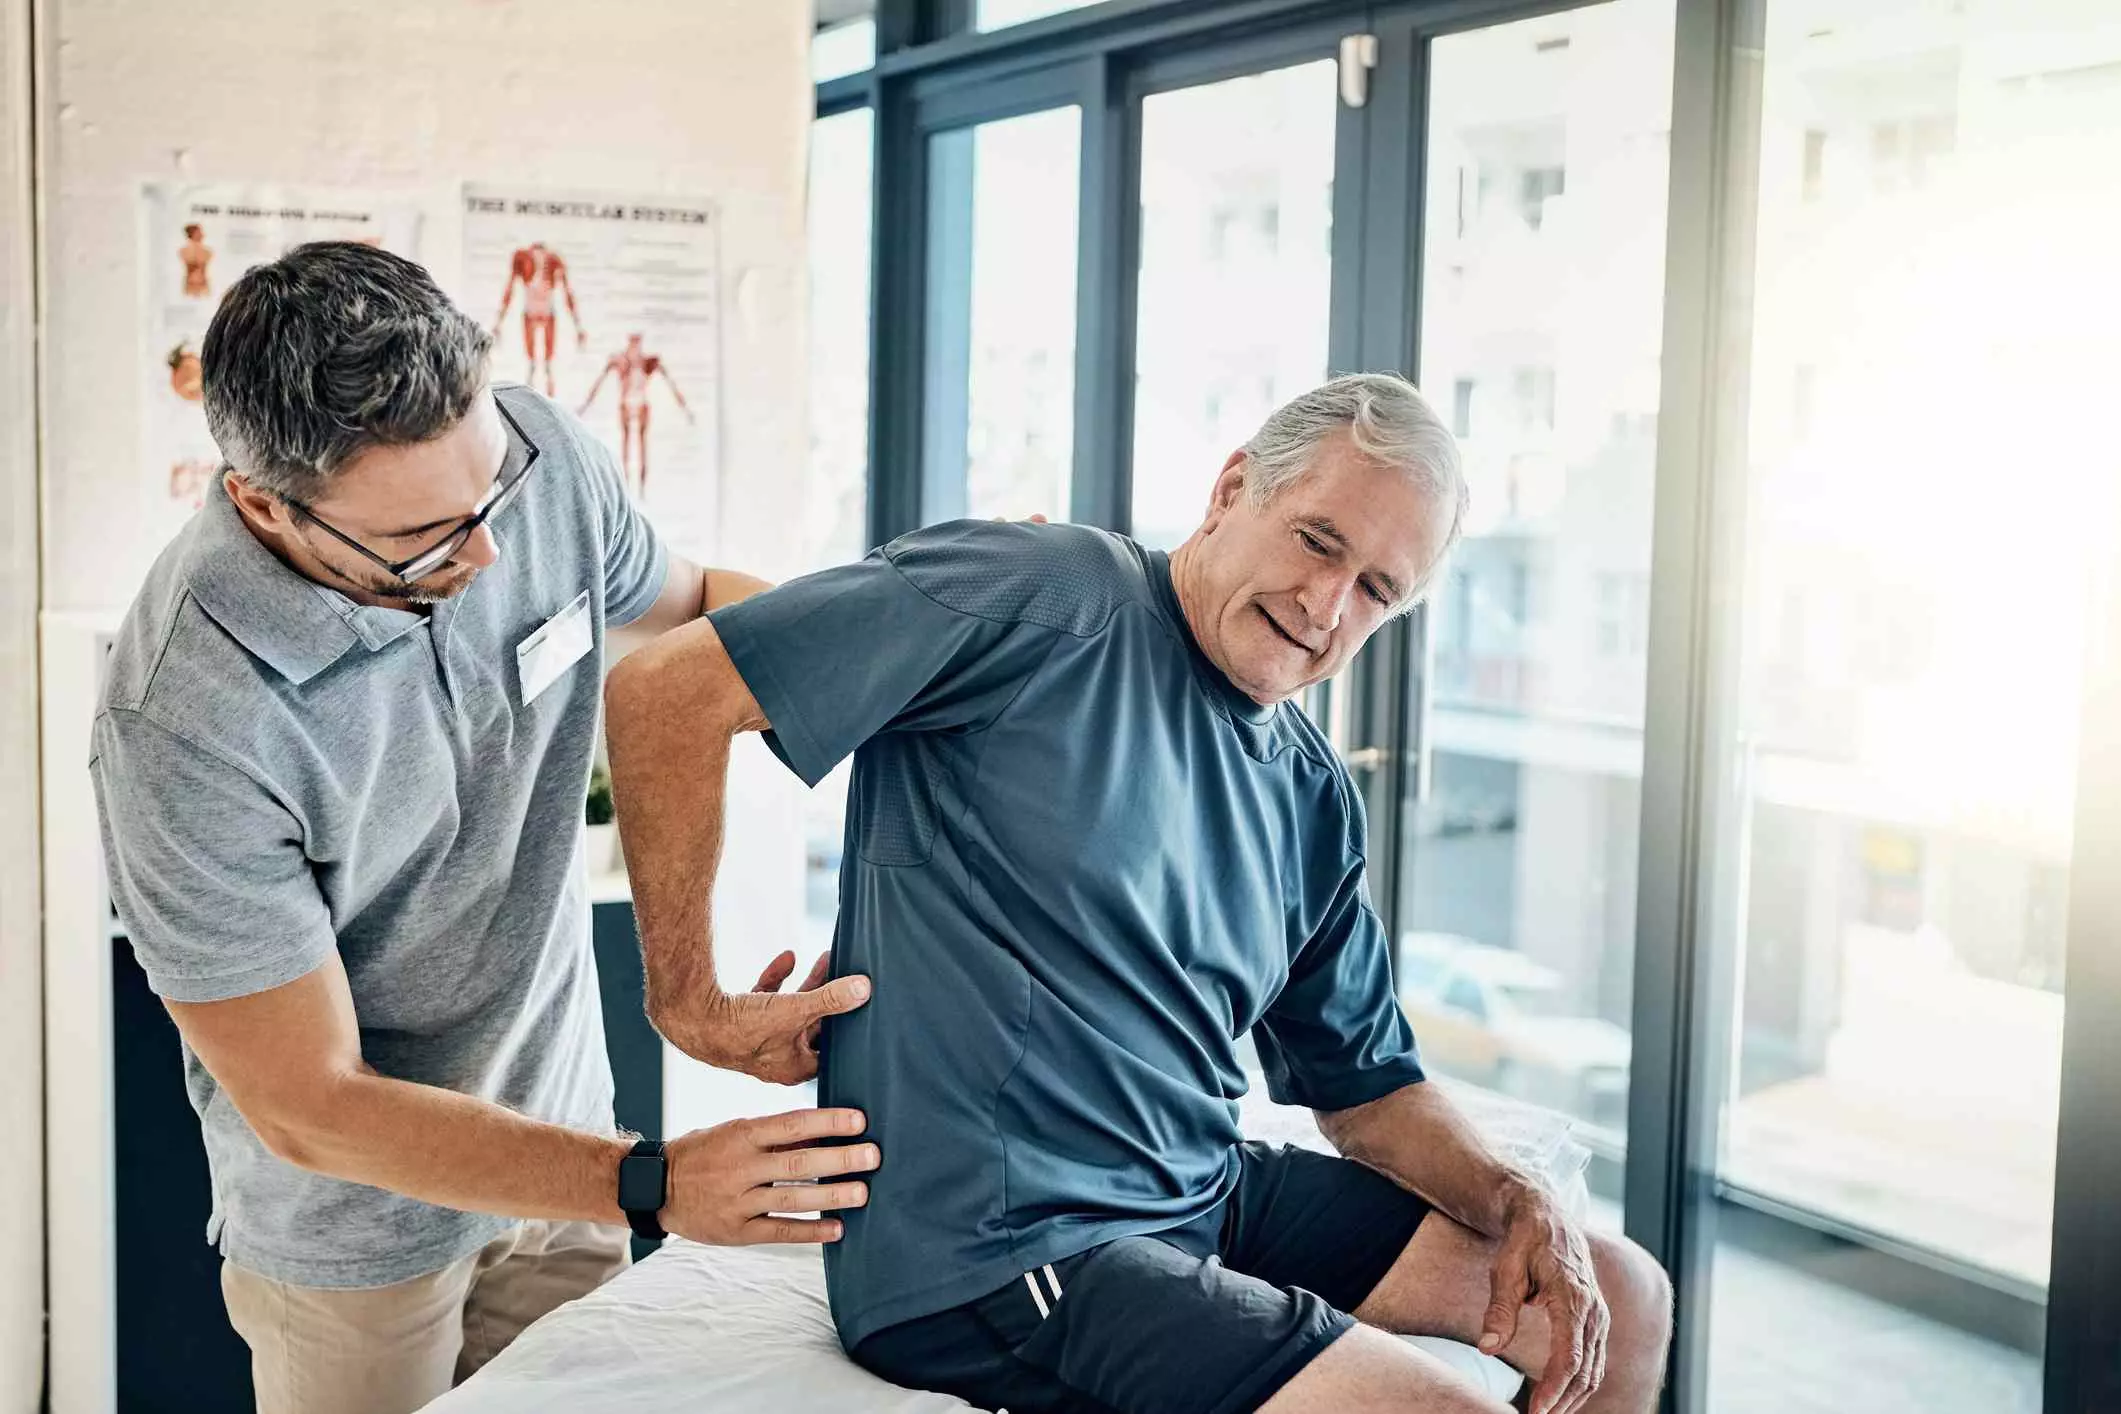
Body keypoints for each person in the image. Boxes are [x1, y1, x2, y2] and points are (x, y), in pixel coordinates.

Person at [605, 374, 1673, 1414]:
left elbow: (1369, 1091)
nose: (1327, 605)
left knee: (1623, 1298)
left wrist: (1515, 1197)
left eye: (1377, 591)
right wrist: (689, 1000)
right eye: (1317, 541)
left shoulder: (1307, 787)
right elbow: (669, 690)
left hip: (1198, 1187)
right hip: (996, 1242)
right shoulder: (1034, 587)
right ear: (1231, 489)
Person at [91, 242, 874, 1414]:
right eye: (424, 540)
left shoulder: (535, 462)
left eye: (490, 492)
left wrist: (912, 656)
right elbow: (313, 1103)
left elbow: (702, 611)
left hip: (568, 1147)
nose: (493, 552)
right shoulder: (187, 716)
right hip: (356, 1231)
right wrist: (653, 1182)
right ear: (264, 502)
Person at [579, 332, 692, 495]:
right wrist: (585, 406)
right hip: (626, 404)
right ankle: (626, 487)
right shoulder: (620, 361)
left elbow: (671, 384)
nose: (634, 346)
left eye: (637, 343)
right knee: (625, 444)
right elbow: (600, 382)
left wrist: (685, 409)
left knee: (642, 445)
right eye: (632, 342)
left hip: (641, 405)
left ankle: (641, 489)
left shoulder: (649, 362)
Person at [492, 240, 586, 396]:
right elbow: (510, 289)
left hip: (546, 314)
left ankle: (549, 402)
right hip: (532, 313)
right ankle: (532, 399)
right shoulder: (523, 259)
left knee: (546, 366)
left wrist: (578, 326)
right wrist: (498, 322)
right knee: (533, 365)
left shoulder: (555, 261)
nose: (540, 257)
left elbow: (567, 293)